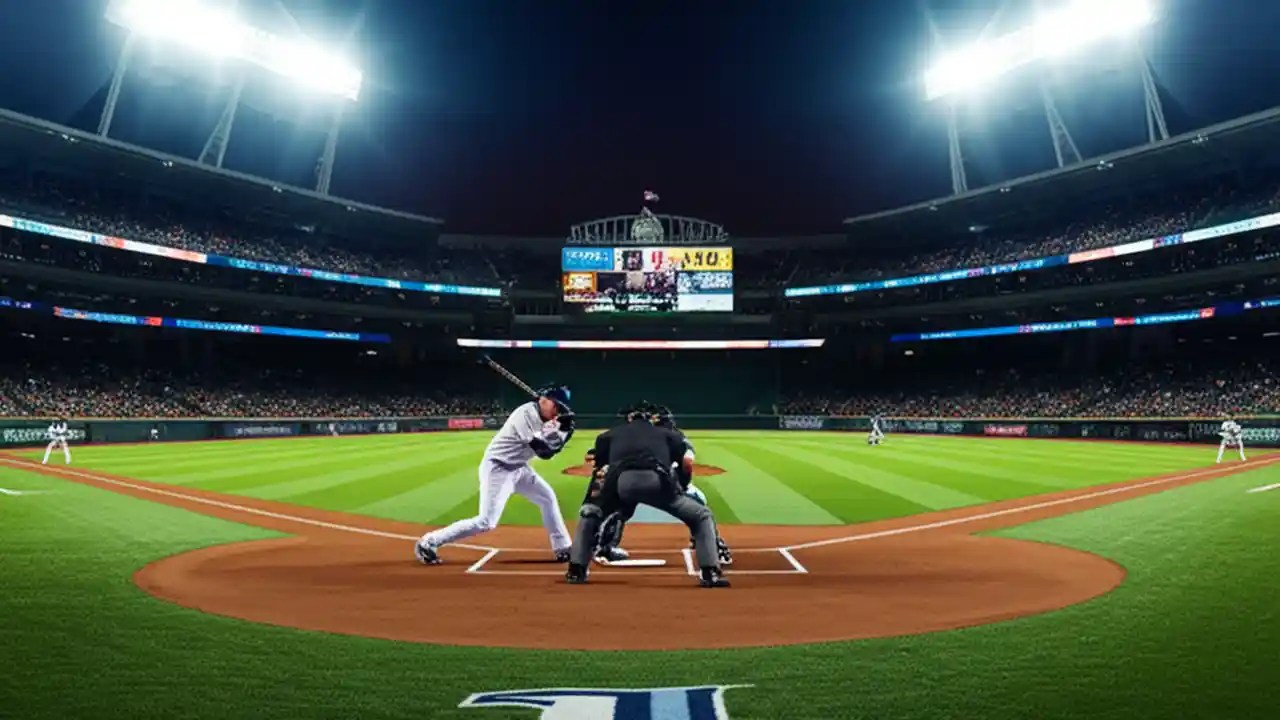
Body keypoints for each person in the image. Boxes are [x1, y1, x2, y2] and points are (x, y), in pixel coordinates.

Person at [567, 403, 729, 588]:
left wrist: (595, 503)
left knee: (590, 514)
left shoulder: (608, 435)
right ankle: (710, 573)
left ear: (629, 420)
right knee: (701, 516)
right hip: (656, 482)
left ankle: (576, 570)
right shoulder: (668, 434)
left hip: (621, 483)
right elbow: (686, 462)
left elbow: (599, 469)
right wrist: (680, 488)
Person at [414, 387, 576, 565]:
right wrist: (563, 435)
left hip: (520, 468)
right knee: (486, 522)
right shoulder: (523, 415)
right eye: (556, 406)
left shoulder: (550, 418)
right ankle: (429, 542)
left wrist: (563, 434)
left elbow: (552, 447)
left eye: (560, 408)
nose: (558, 411)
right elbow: (544, 452)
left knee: (548, 498)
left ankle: (563, 547)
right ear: (544, 401)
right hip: (498, 468)